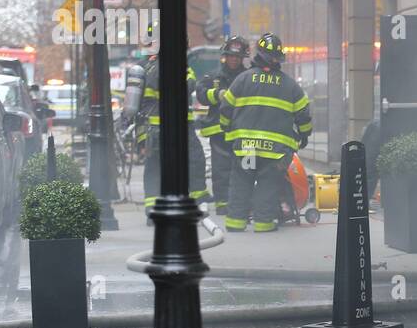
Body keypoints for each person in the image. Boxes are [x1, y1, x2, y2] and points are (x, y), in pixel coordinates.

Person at [219, 33, 312, 233]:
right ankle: (263, 223)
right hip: (274, 153)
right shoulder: (290, 86)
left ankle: (235, 222)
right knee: (267, 183)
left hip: (247, 149)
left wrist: (226, 127)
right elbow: (304, 116)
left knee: (242, 180)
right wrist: (304, 135)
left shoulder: (242, 80)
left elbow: (226, 108)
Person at [123, 49, 208, 217]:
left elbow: (137, 105)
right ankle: (195, 201)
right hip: (175, 127)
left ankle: (152, 209)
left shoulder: (144, 68)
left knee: (154, 167)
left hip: (150, 128)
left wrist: (140, 138)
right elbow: (190, 84)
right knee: (194, 160)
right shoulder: (176, 68)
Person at [196, 36, 248, 215]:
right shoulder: (213, 77)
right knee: (221, 169)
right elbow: (201, 94)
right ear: (225, 56)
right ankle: (222, 203)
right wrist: (216, 94)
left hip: (243, 132)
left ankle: (244, 201)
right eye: (231, 56)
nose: (234, 59)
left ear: (242, 58)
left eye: (237, 56)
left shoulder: (248, 77)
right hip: (219, 133)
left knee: (246, 167)